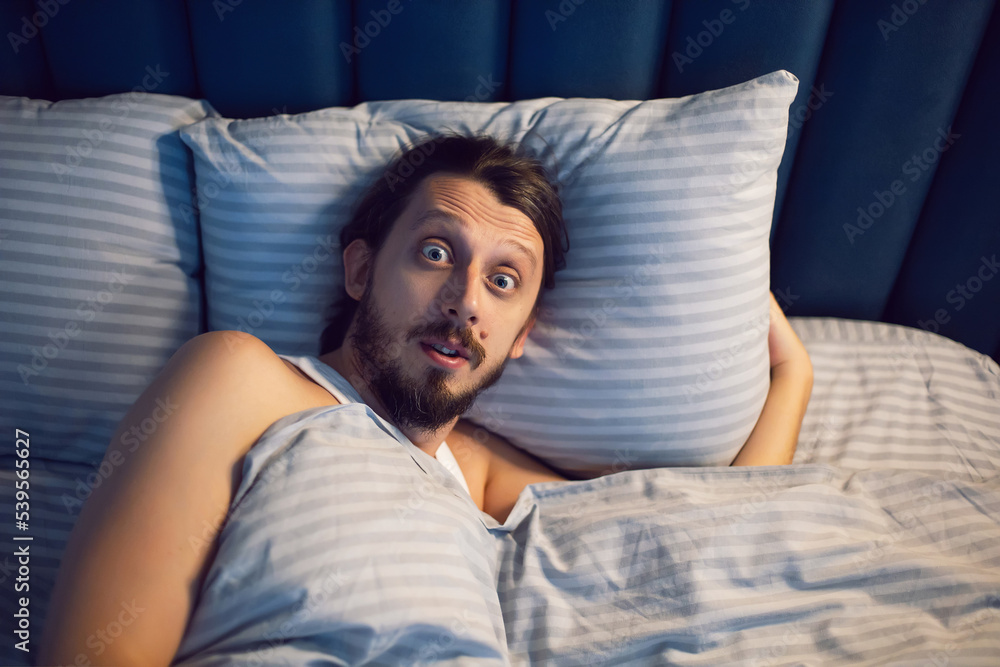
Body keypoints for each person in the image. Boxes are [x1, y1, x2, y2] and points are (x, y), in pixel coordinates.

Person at [37, 132, 812, 665]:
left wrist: (792, 379)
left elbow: (701, 535)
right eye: (437, 252)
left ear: (518, 336)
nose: (465, 301)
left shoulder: (474, 473)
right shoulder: (242, 380)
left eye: (503, 281)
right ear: (359, 271)